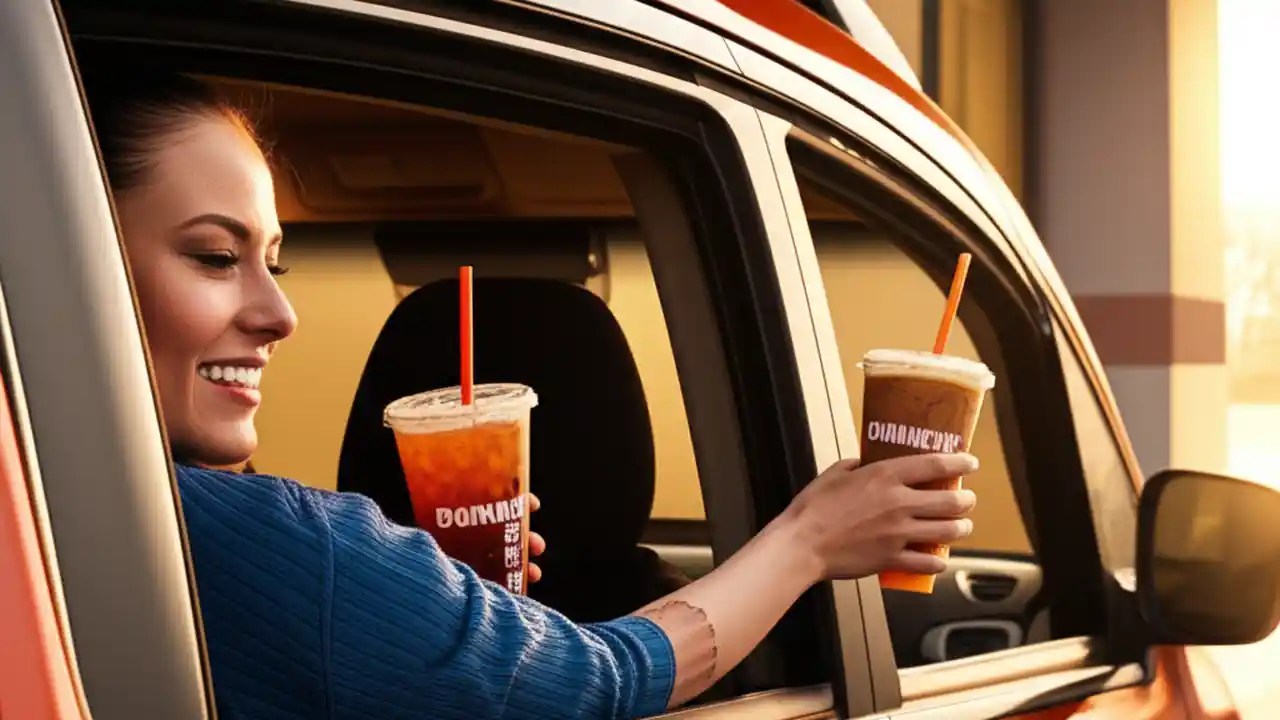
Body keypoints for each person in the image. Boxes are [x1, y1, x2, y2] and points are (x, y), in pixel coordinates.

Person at [88, 68, 979, 719]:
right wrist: (813, 536)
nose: (279, 313)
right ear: (69, 253)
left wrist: (434, 597)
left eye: (276, 261)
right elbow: (600, 680)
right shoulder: (284, 545)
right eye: (214, 256)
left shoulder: (66, 525)